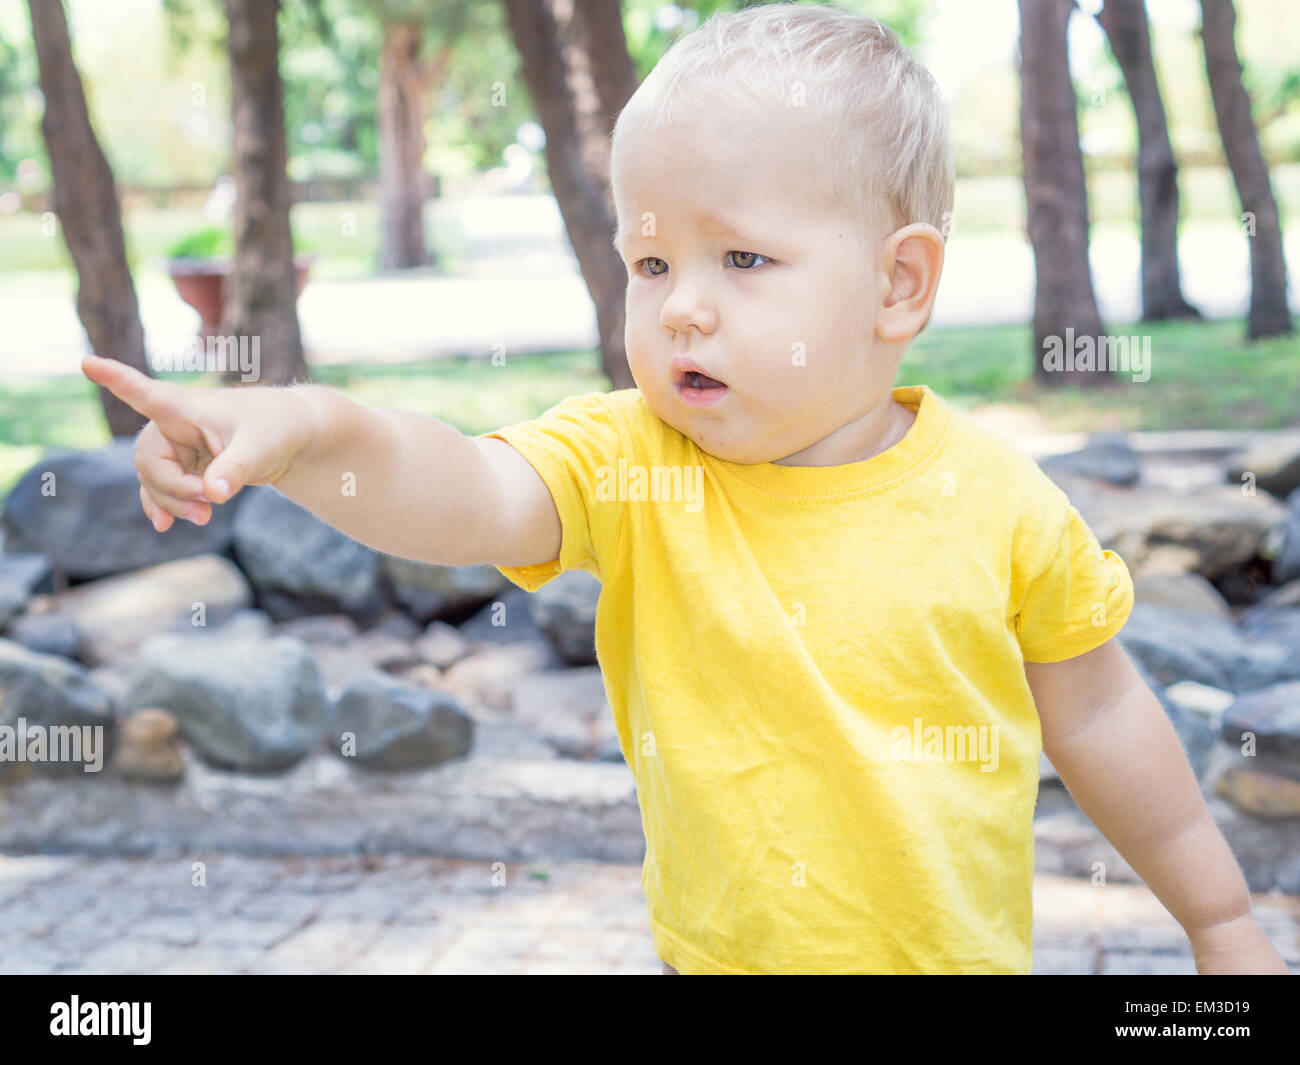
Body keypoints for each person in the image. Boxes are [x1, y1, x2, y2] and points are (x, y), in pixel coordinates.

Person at [83, 3, 1289, 976]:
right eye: (649, 262)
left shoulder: (1001, 504)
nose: (682, 306)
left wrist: (1218, 920)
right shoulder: (630, 466)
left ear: (897, 287)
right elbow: (451, 488)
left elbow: (1098, 717)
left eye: (741, 258)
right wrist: (299, 428)